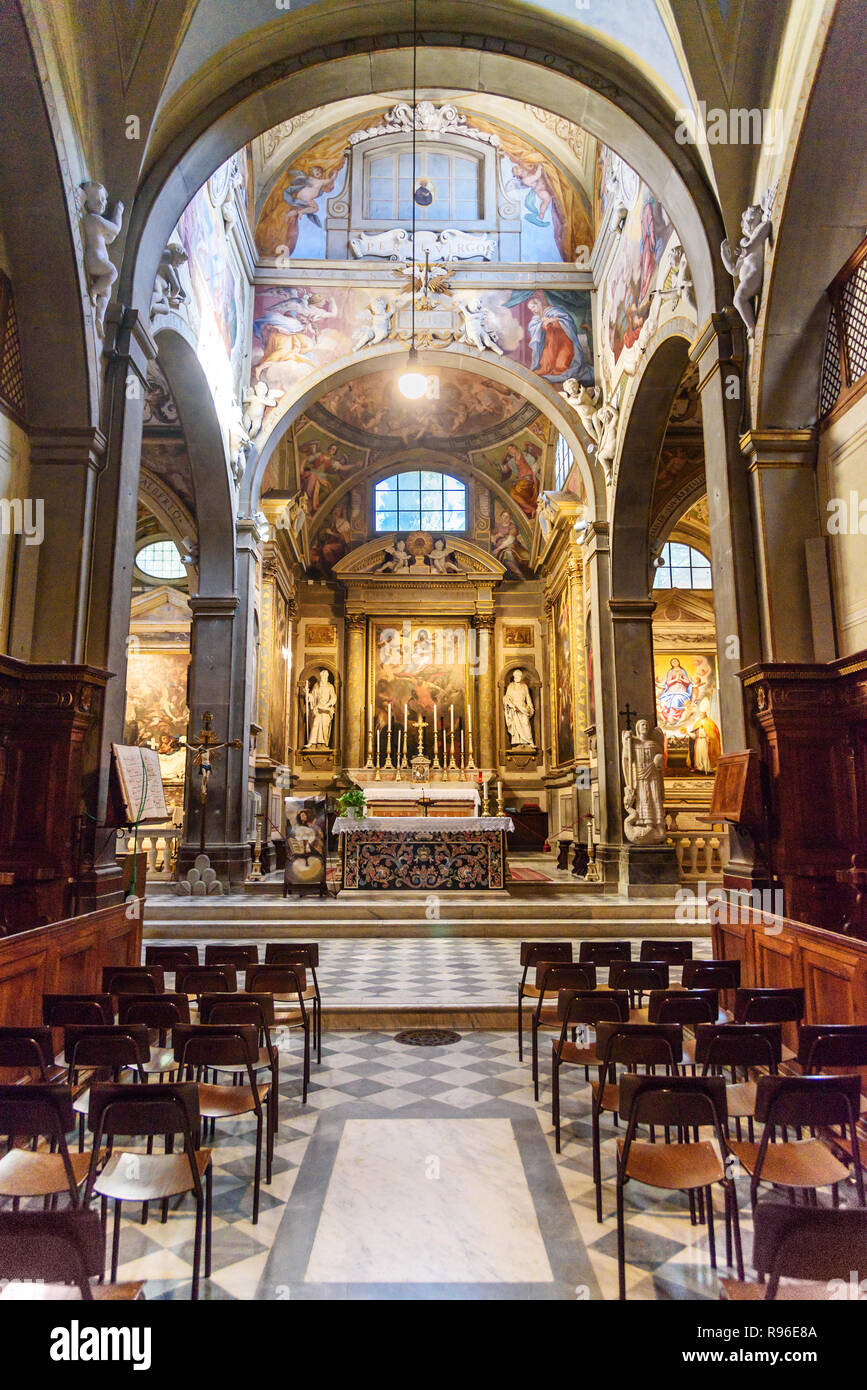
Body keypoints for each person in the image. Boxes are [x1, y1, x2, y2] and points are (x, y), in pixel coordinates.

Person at [503, 670, 535, 746]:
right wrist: (511, 705)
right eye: (516, 675)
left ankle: (529, 741)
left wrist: (531, 708)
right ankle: (518, 742)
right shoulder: (511, 686)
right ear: (514, 676)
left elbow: (528, 698)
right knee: (516, 726)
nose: (518, 677)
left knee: (526, 724)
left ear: (521, 676)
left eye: (519, 675)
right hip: (515, 709)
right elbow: (506, 697)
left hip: (523, 708)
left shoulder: (524, 686)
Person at [306, 670, 336, 746]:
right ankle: (311, 742)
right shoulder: (316, 686)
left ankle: (324, 743)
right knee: (316, 723)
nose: (323, 678)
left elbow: (333, 698)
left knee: (324, 724)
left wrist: (327, 705)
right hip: (318, 708)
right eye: (322, 676)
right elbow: (312, 696)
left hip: (326, 710)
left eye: (325, 676)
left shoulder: (330, 686)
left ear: (327, 677)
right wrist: (308, 695)